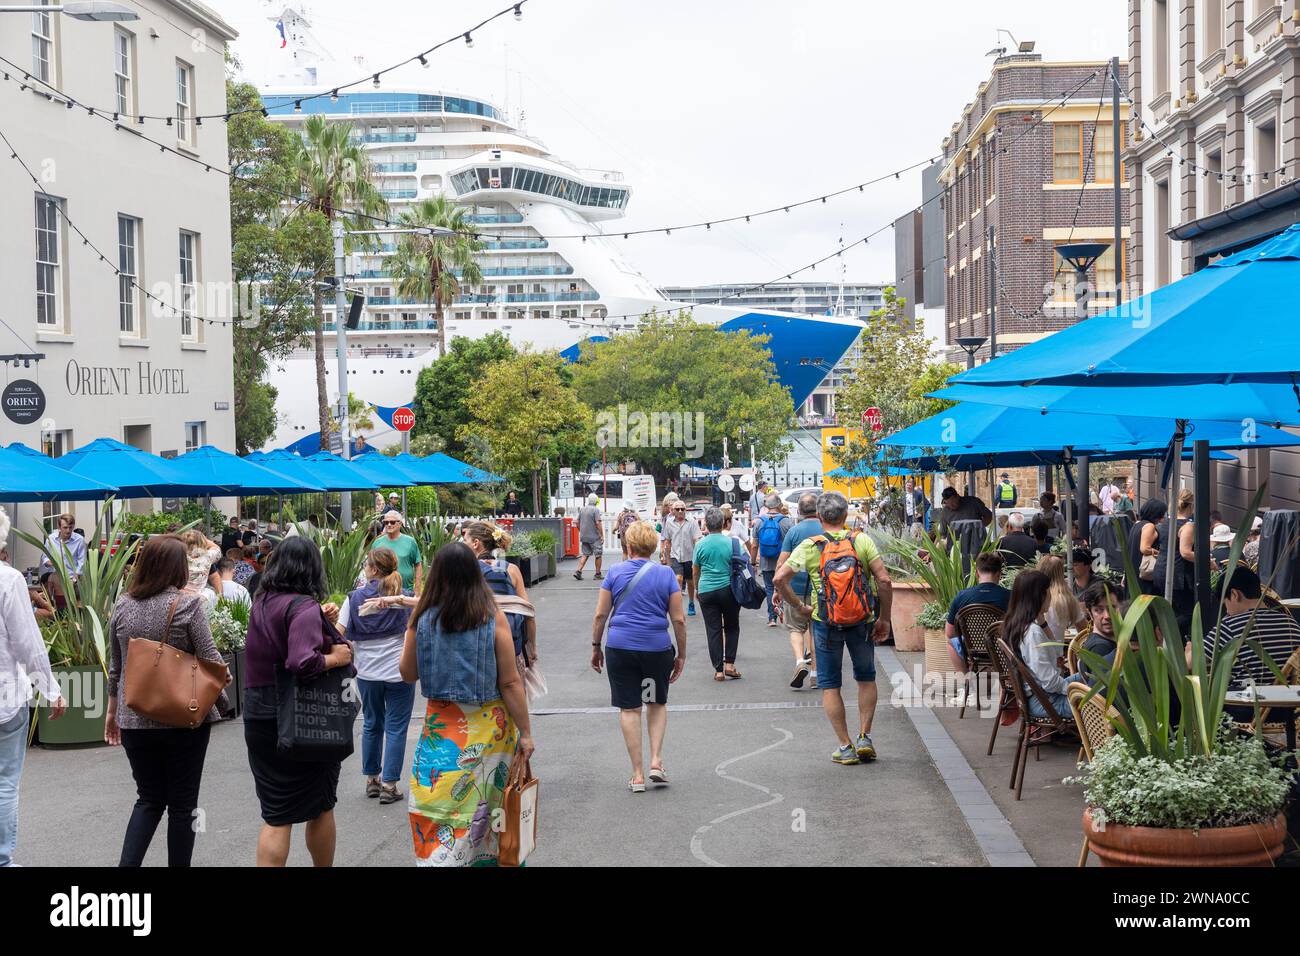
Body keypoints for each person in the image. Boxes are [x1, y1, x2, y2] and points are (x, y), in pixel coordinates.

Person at [399, 543, 534, 867]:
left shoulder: (422, 619)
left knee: (438, 804)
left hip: (442, 730)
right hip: (492, 731)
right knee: (491, 810)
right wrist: (526, 733)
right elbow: (511, 682)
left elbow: (407, 673)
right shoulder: (493, 618)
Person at [105, 535, 229, 867]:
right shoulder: (188, 604)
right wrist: (224, 688)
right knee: (183, 803)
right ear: (176, 568)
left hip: (135, 719)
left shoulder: (123, 604)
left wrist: (112, 711)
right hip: (182, 718)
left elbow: (116, 665)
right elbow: (211, 658)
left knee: (148, 799)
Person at [243, 536, 352, 867]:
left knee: (276, 815)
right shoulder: (302, 606)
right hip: (306, 719)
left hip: (258, 714)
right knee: (320, 806)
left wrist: (322, 621)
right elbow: (301, 661)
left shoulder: (262, 603)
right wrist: (336, 656)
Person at [774, 492, 893, 765]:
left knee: (830, 685)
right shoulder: (860, 540)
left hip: (825, 622)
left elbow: (780, 578)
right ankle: (865, 737)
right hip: (862, 621)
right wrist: (884, 618)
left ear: (820, 517)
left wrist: (799, 606)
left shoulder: (810, 545)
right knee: (866, 678)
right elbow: (884, 580)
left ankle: (845, 746)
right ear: (844, 516)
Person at [590, 521, 687, 792]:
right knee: (655, 702)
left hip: (621, 647)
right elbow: (678, 620)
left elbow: (601, 614)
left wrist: (596, 645)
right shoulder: (667, 575)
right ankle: (656, 761)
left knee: (630, 708)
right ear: (653, 547)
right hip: (656, 649)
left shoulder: (614, 572)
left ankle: (637, 775)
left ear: (628, 546)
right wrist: (681, 654)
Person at [0, 506, 64, 867]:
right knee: (6, 781)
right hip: (6, 697)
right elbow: (28, 643)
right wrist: (51, 688)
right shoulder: (7, 580)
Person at [338, 547, 414, 805]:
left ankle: (371, 778)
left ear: (371, 569)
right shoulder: (404, 598)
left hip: (367, 673)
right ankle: (389, 784)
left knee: (371, 722)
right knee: (396, 727)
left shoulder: (353, 598)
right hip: (399, 672)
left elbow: (339, 633)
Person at [1199, 566, 1300, 690]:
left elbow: (1191, 662)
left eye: (1226, 605)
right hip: (1286, 704)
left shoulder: (1231, 625)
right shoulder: (1291, 623)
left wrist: (1190, 650)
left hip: (1244, 703)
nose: (1228, 613)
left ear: (1234, 594)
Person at [460, 521, 537, 672]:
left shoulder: (465, 570)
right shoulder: (511, 569)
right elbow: (528, 614)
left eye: (465, 541)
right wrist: (532, 647)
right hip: (509, 645)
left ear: (476, 543)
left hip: (475, 649)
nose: (463, 545)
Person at [1004, 569, 1079, 719]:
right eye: (1048, 591)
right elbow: (1050, 683)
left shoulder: (1016, 624)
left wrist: (1043, 621)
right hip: (1047, 702)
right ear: (1040, 595)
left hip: (1040, 697)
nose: (1051, 595)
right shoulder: (1032, 632)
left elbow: (1057, 653)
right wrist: (1076, 690)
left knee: (1094, 675)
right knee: (1099, 691)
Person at [776, 492, 823, 690]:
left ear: (800, 511)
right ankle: (814, 673)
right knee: (815, 631)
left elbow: (783, 561)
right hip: (820, 587)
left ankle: (799, 661)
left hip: (794, 587)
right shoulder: (824, 528)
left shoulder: (794, 532)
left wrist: (778, 590)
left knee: (796, 628)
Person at [693, 507, 743, 681]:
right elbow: (743, 565)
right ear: (723, 523)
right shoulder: (733, 543)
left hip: (707, 589)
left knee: (713, 629)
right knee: (732, 626)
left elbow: (695, 570)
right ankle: (730, 664)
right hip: (729, 589)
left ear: (705, 524)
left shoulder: (700, 545)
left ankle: (718, 670)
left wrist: (698, 589)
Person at [944, 551, 1010, 679]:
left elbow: (950, 633)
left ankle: (966, 682)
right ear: (999, 574)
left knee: (949, 641)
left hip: (973, 649)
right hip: (1003, 648)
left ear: (977, 573)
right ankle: (1008, 680)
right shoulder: (1010, 596)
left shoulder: (961, 596)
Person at [1153, 488, 1196, 638]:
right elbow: (1185, 552)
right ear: (1191, 506)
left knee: (1168, 610)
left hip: (1160, 571)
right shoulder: (1188, 526)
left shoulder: (1164, 524)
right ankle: (1174, 641)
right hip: (1179, 575)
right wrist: (1205, 560)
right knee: (1189, 612)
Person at [754, 493, 793, 628]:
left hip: (766, 562)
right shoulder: (787, 521)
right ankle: (784, 613)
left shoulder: (759, 521)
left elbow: (754, 545)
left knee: (770, 588)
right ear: (779, 505)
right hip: (783, 563)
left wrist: (753, 562)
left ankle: (772, 618)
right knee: (784, 587)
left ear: (766, 506)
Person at [661, 499, 700, 616]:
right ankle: (677, 606)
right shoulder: (669, 522)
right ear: (672, 511)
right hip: (675, 556)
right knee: (678, 579)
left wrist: (698, 558)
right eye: (677, 509)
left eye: (683, 509)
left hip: (689, 556)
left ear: (686, 510)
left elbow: (697, 539)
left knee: (690, 582)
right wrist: (667, 561)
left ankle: (691, 603)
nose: (680, 511)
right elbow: (667, 541)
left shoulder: (692, 522)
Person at [1077, 580, 1121, 685]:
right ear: (1090, 614)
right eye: (1099, 610)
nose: (1107, 616)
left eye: (1112, 608)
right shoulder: (1100, 648)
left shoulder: (1104, 640)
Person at [1037, 554, 1083, 648]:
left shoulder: (1029, 598)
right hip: (1055, 655)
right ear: (1060, 573)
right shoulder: (1065, 599)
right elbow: (1084, 631)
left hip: (1027, 656)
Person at [371, 510, 423, 592]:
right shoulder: (377, 543)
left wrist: (417, 590)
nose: (389, 524)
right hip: (382, 592)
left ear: (400, 523)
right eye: (386, 522)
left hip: (406, 592)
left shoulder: (410, 542)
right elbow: (371, 566)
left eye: (392, 522)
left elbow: (418, 565)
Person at [1128, 498, 1166, 594]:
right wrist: (1161, 554)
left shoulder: (1137, 524)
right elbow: (1144, 548)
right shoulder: (1149, 526)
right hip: (1144, 572)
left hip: (1133, 570)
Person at [42, 512, 88, 580]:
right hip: (55, 579)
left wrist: (75, 579)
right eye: (65, 527)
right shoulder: (51, 539)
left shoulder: (79, 540)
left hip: (73, 579)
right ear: (59, 527)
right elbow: (45, 557)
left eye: (70, 527)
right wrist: (51, 562)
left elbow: (82, 562)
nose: (68, 530)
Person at [574, 493, 605, 581]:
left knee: (585, 554)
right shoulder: (595, 510)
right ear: (596, 501)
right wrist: (602, 535)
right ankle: (597, 574)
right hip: (594, 537)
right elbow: (598, 523)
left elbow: (577, 522)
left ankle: (578, 571)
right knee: (598, 554)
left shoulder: (582, 509)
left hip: (584, 536)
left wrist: (581, 530)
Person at [180, 529, 221, 594]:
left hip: (180, 595)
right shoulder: (207, 556)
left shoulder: (179, 557)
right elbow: (217, 548)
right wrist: (202, 539)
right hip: (198, 596)